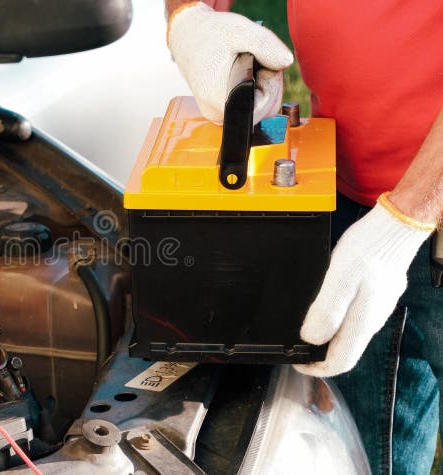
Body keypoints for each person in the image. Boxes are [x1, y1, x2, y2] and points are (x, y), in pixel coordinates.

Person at [164, 1, 443, 473]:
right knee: (367, 446)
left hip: (416, 211)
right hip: (352, 200)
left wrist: (408, 218)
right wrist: (189, 20)